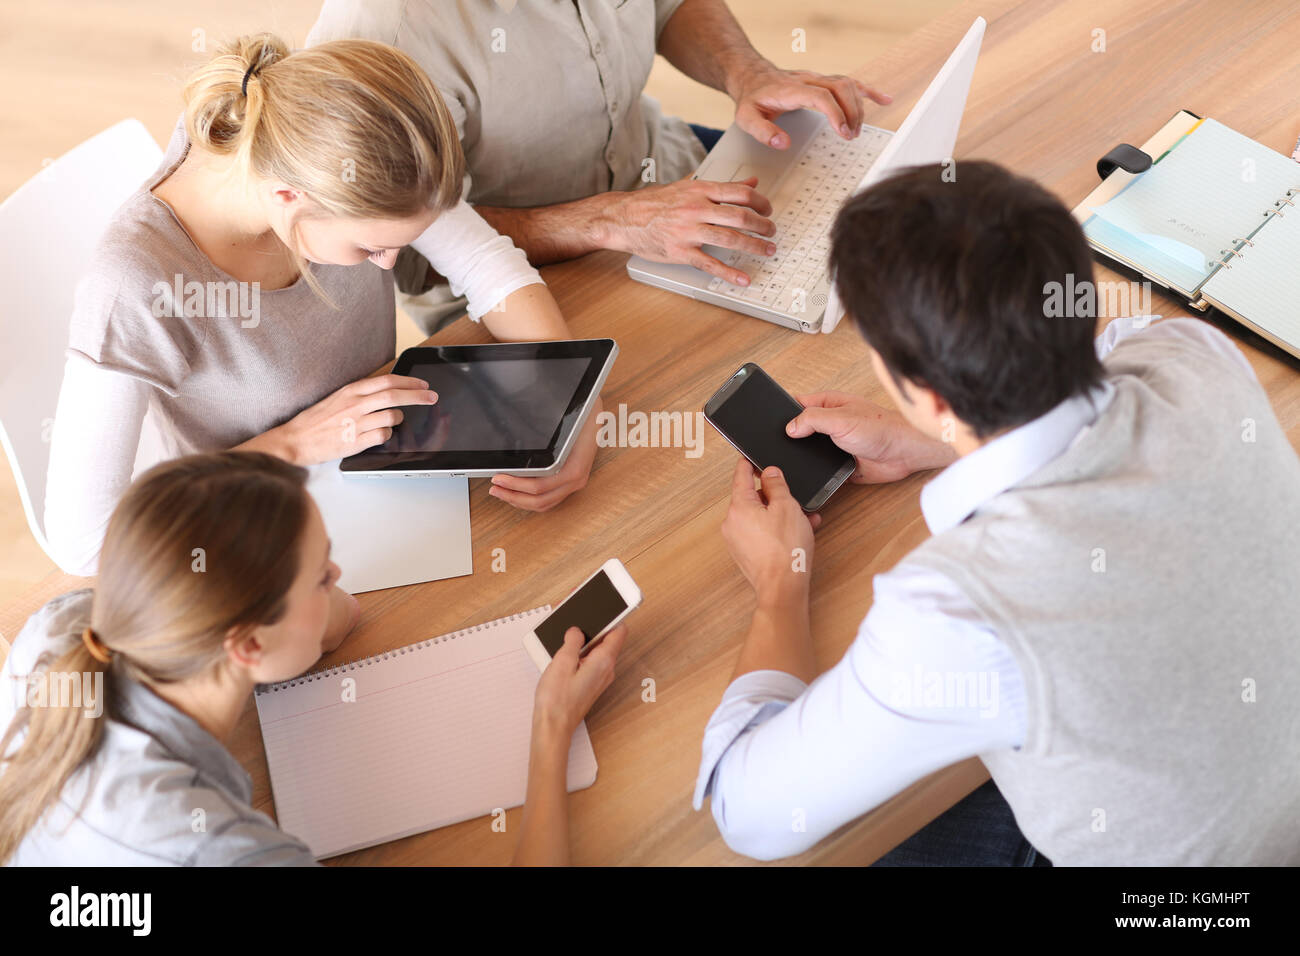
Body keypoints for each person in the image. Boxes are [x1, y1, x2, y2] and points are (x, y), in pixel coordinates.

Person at [694, 160, 1300, 865]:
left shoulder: (959, 608)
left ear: (929, 393)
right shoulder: (1193, 355)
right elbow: (1106, 355)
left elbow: (751, 815)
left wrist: (779, 582)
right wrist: (931, 443)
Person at [44, 34, 602, 580]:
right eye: (369, 247)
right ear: (290, 197)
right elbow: (86, 544)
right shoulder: (138, 284)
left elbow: (489, 267)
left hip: (381, 469)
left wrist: (573, 413)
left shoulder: (332, 131)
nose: (388, 266)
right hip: (253, 516)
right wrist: (295, 443)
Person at [1, 451, 624, 865]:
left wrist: (305, 600)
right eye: (319, 575)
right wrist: (551, 727)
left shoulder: (68, 626)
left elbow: (336, 618)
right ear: (245, 645)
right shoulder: (226, 850)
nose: (338, 573)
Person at [306, 0, 891, 329]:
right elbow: (402, 254)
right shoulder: (383, 30)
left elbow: (671, 7)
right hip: (518, 292)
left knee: (867, 255)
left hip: (669, 171)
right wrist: (610, 221)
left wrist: (748, 71)